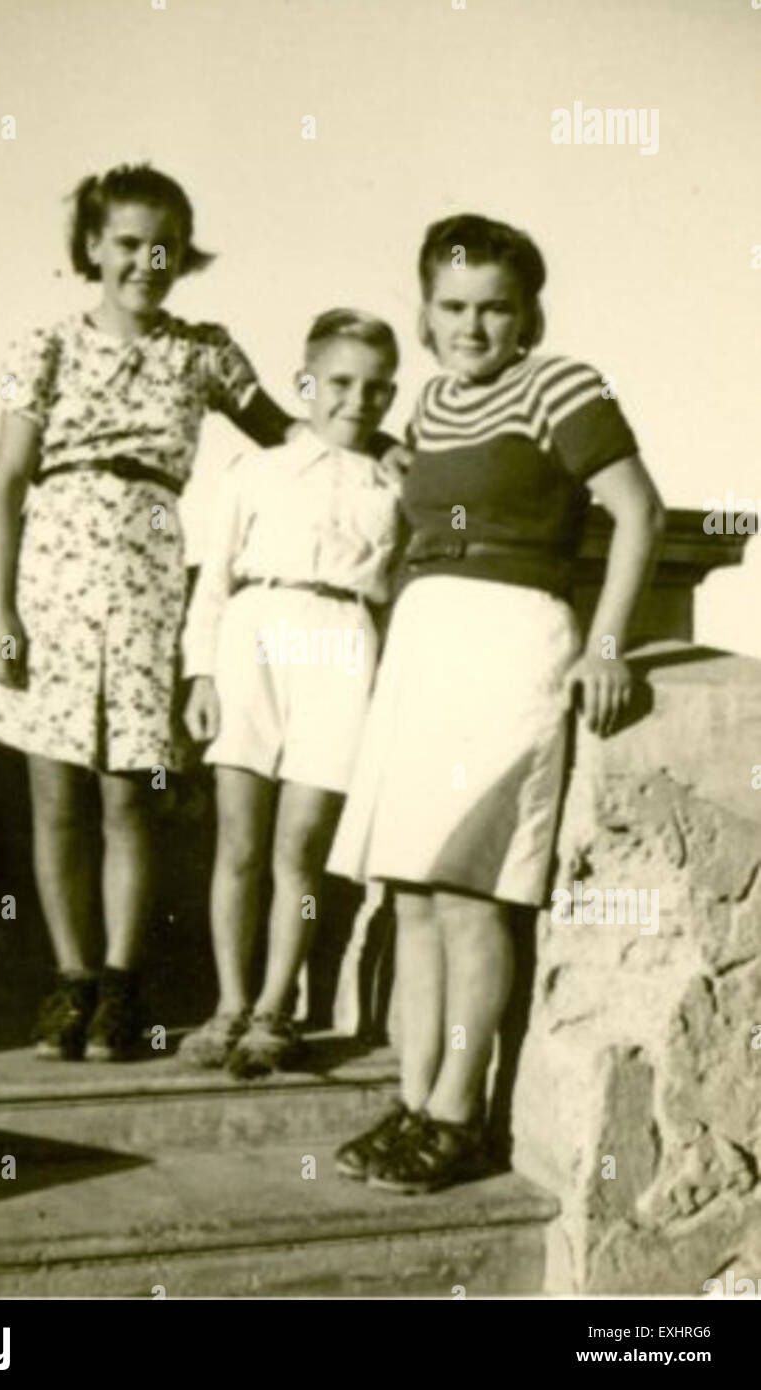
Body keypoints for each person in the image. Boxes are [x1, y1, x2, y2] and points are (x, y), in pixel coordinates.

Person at [328, 214, 665, 1192]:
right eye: (452, 306)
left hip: (513, 640)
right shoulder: (430, 405)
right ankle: (414, 1099)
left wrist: (605, 646)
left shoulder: (563, 384)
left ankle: (458, 1114)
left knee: (470, 893)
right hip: (426, 643)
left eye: (494, 308)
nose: (472, 326)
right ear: (424, 315)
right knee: (414, 892)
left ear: (527, 316)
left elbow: (639, 511)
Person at [0, 163, 300, 1062]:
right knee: (55, 796)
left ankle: (121, 987)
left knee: (129, 797)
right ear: (93, 246)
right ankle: (71, 981)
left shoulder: (203, 352)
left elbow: (288, 436)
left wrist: (385, 450)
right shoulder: (42, 347)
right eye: (127, 243)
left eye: (165, 248)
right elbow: (5, 485)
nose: (146, 263)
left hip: (147, 576)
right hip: (52, 580)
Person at [178, 309, 405, 1077]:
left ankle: (276, 1008)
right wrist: (202, 674)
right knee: (238, 842)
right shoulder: (256, 471)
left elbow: (397, 591)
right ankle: (229, 1003)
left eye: (376, 388)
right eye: (339, 382)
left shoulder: (395, 485)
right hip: (254, 637)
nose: (357, 400)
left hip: (342, 643)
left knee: (301, 847)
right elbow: (213, 581)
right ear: (306, 384)